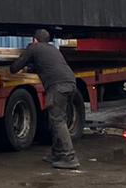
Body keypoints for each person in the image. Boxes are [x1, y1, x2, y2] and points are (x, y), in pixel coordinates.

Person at [10, 29, 80, 169]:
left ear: (34, 40)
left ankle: (69, 157)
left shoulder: (34, 48)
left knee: (58, 121)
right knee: (57, 120)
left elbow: (15, 67)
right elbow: (46, 65)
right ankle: (57, 153)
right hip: (71, 83)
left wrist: (13, 67)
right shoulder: (51, 49)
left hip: (57, 87)